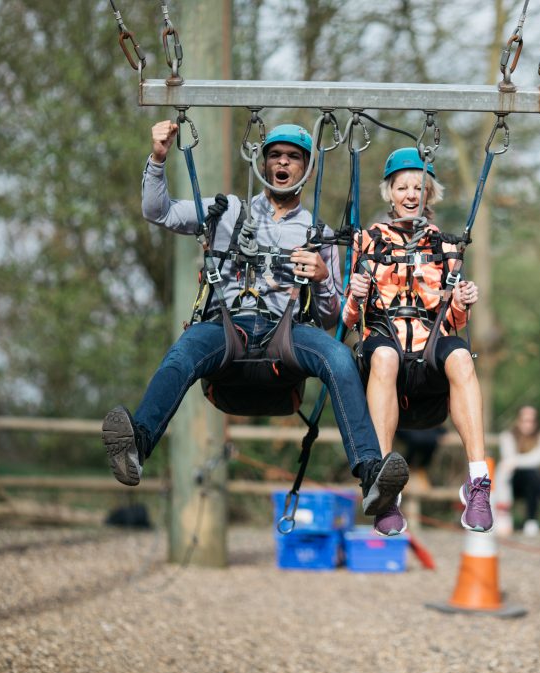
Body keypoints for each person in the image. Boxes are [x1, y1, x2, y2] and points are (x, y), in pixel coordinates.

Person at [101, 120, 409, 536]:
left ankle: (370, 471)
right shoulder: (226, 212)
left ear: (306, 169)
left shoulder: (317, 233)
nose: (283, 163)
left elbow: (331, 317)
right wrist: (158, 157)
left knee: (338, 357)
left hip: (286, 331)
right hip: (228, 325)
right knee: (183, 352)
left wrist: (321, 278)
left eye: (293, 157)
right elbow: (159, 211)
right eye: (275, 156)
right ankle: (137, 445)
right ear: (262, 164)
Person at [344, 148, 492, 533]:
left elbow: (454, 322)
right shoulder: (367, 242)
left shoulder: (445, 247)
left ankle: (478, 481)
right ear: (390, 193)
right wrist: (356, 296)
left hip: (428, 355)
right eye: (402, 187)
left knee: (461, 355)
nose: (411, 194)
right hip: (385, 349)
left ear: (429, 194)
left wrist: (462, 301)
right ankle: (383, 485)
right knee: (385, 356)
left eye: (419, 187)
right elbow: (348, 320)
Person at [495, 405, 540, 536]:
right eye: (525, 420)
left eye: (532, 420)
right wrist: (518, 462)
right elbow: (509, 461)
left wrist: (514, 462)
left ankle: (531, 520)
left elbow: (538, 459)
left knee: (532, 475)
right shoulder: (507, 436)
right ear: (518, 420)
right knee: (514, 472)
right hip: (512, 483)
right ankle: (505, 514)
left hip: (533, 484)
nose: (528, 424)